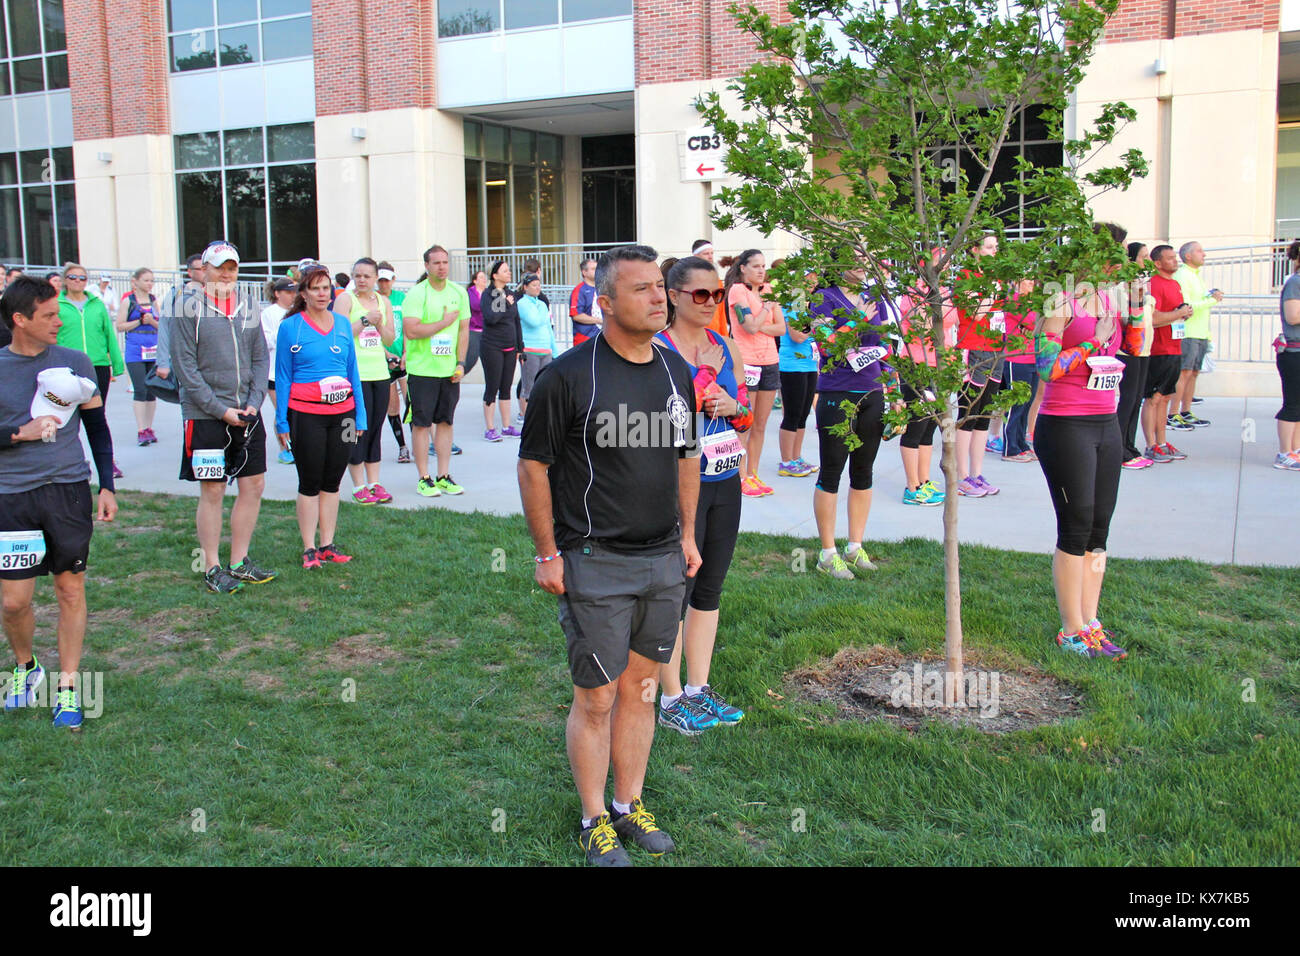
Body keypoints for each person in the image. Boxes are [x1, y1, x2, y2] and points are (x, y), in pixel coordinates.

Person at [518, 243, 701, 867]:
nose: (660, 298)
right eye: (644, 289)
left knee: (643, 689)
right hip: (593, 558)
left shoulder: (676, 373)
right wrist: (548, 553)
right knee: (596, 696)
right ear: (605, 303)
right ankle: (593, 816)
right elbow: (534, 467)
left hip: (662, 561)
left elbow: (686, 458)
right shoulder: (567, 376)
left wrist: (687, 536)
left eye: (661, 287)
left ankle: (629, 804)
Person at [1, 276, 118, 729]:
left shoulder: (76, 363)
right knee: (13, 602)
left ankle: (68, 687)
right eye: (49, 315)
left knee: (70, 589)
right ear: (20, 320)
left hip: (67, 490)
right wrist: (17, 433)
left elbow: (98, 429)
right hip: (11, 495)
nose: (58, 321)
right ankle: (27, 667)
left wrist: (106, 484)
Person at [653, 255, 749, 736]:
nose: (712, 302)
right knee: (675, 591)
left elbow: (747, 414)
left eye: (716, 293)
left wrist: (733, 405)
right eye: (701, 294)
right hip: (675, 486)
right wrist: (705, 376)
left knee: (709, 589)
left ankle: (698, 688)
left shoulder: (724, 344)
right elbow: (659, 421)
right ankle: (669, 697)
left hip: (724, 478)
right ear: (673, 296)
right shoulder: (657, 350)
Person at [1033, 222, 1130, 660]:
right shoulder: (1059, 298)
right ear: (1091, 256)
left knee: (1099, 528)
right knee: (1076, 525)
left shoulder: (1111, 297)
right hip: (1065, 423)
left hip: (1105, 420)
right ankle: (1070, 629)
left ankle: (1090, 622)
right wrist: (1092, 341)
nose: (1122, 262)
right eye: (1116, 254)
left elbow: (1125, 351)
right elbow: (1046, 365)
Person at [171, 240, 277, 594]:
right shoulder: (186, 307)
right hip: (205, 415)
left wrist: (252, 402)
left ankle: (239, 561)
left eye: (232, 267)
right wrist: (221, 410)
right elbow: (185, 368)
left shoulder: (247, 304)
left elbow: (261, 358)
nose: (227, 274)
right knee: (213, 489)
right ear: (204, 270)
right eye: (219, 267)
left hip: (246, 412)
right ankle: (211, 565)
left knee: (254, 485)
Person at [809, 257, 898, 579]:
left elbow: (886, 345)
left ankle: (854, 545)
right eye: (854, 259)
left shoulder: (877, 299)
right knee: (832, 471)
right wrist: (859, 319)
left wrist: (892, 387)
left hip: (871, 392)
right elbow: (828, 344)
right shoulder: (823, 299)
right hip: (836, 392)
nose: (862, 264)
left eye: (865, 258)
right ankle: (827, 552)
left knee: (864, 471)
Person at [275, 265, 367, 568]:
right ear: (303, 293)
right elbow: (283, 377)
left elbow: (353, 371)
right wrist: (282, 420)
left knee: (333, 481)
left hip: (343, 416)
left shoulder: (342, 324)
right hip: (306, 415)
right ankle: (309, 547)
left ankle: (328, 543)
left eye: (326, 287)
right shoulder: (291, 327)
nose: (322, 293)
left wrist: (361, 417)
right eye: (315, 288)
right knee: (310, 481)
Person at [403, 244, 470, 497]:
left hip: (449, 371)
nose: (442, 267)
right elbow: (411, 330)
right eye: (436, 263)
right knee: (421, 424)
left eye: (445, 262)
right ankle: (424, 477)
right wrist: (443, 323)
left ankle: (443, 475)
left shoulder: (458, 293)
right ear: (427, 266)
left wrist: (460, 363)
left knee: (445, 421)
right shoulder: (417, 294)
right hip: (422, 371)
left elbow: (464, 330)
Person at [896, 249, 956, 505]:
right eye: (940, 260)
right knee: (916, 424)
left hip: (941, 366)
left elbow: (952, 322)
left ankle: (924, 479)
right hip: (917, 366)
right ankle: (912, 485)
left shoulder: (944, 291)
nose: (944, 265)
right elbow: (925, 325)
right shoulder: (914, 293)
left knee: (932, 426)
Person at [724, 249, 785, 496]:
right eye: (756, 266)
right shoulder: (738, 291)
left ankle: (753, 473)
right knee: (745, 423)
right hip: (746, 362)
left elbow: (781, 328)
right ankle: (740, 477)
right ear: (743, 268)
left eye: (763, 266)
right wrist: (763, 314)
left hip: (770, 360)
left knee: (761, 424)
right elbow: (748, 327)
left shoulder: (769, 291)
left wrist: (760, 322)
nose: (762, 270)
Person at [336, 258, 396, 505]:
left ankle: (375, 482)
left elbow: (391, 339)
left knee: (375, 428)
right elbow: (337, 334)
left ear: (375, 278)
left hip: (379, 374)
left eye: (367, 276)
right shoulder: (345, 299)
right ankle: (358, 484)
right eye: (357, 275)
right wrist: (364, 321)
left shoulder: (384, 302)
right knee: (355, 429)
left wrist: (380, 322)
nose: (362, 280)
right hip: (354, 375)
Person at [57, 263, 124, 479]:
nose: (77, 281)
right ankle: (71, 462)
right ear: (65, 279)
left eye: (82, 278)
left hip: (97, 366)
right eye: (73, 277)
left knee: (97, 417)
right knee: (67, 417)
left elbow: (109, 335)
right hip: (66, 368)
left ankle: (108, 463)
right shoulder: (57, 304)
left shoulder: (97, 304)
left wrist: (117, 362)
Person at [954, 234, 1004, 497]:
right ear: (974, 249)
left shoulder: (996, 277)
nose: (994, 251)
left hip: (996, 347)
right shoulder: (965, 277)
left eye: (996, 247)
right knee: (969, 412)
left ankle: (976, 473)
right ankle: (961, 475)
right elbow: (977, 311)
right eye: (988, 247)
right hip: (974, 347)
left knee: (985, 414)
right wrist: (990, 288)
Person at [1141, 245, 1194, 463]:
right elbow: (1152, 318)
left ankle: (1162, 443)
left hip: (1174, 346)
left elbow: (1173, 314)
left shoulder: (1175, 284)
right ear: (1157, 263)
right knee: (1153, 398)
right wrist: (1178, 313)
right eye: (1170, 258)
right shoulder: (1153, 283)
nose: (1175, 261)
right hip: (1158, 349)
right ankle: (1151, 445)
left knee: (1165, 397)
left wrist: (1184, 313)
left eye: (1175, 258)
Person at [1170, 241, 1223, 429]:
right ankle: (1173, 413)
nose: (1204, 254)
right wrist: (1211, 300)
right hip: (1188, 332)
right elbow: (1186, 305)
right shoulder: (1183, 274)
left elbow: (1199, 300)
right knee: (1184, 373)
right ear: (1188, 256)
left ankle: (1186, 410)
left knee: (1193, 373)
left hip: (1200, 332)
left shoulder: (1196, 275)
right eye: (1200, 251)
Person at [1115, 243, 1155, 469]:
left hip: (1144, 349)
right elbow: (1126, 317)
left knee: (1135, 400)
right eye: (1143, 256)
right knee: (1126, 399)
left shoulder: (1141, 285)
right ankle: (1119, 448)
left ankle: (1129, 444)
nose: (1146, 261)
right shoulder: (1122, 286)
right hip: (1127, 350)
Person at [776, 270, 819, 478]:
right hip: (792, 366)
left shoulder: (810, 307)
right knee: (792, 415)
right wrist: (817, 327)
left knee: (803, 414)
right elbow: (797, 336)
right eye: (808, 280)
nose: (812, 284)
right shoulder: (795, 304)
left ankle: (796, 456)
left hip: (810, 365)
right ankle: (786, 461)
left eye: (814, 281)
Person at [115, 268, 161, 447]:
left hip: (153, 349)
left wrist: (151, 321)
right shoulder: (128, 301)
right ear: (136, 282)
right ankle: (141, 429)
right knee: (140, 388)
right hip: (135, 350)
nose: (149, 284)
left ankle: (149, 427)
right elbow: (120, 326)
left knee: (152, 390)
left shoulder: (153, 301)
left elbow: (161, 325)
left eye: (152, 281)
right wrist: (139, 321)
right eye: (146, 280)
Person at [479, 260, 521, 441]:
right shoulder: (488, 295)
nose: (509, 273)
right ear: (494, 275)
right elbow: (491, 318)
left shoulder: (511, 293)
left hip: (510, 347)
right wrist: (505, 303)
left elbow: (516, 322)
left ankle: (506, 426)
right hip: (492, 346)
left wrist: (520, 347)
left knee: (506, 387)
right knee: (492, 386)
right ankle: (490, 428)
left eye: (509, 270)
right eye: (505, 270)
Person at [376, 262, 412, 463]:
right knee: (393, 406)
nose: (384, 284)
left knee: (411, 403)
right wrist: (386, 354)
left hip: (403, 358)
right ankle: (402, 447)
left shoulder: (401, 299)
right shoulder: (374, 301)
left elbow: (406, 327)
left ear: (393, 280)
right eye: (380, 280)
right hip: (384, 361)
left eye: (387, 280)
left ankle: (419, 443)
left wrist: (406, 352)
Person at [1002, 279, 1040, 462]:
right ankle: (1010, 448)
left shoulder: (1033, 301)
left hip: (1032, 356)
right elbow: (1034, 321)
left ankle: (1021, 444)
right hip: (1016, 358)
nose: (1032, 284)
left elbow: (1043, 321)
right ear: (1017, 283)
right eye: (1028, 281)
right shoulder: (1013, 300)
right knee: (1015, 404)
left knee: (1027, 403)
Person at [261, 277, 297, 463]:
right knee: (281, 411)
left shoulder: (298, 312)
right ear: (277, 294)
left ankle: (295, 446)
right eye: (288, 292)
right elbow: (265, 341)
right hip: (275, 372)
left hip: (296, 371)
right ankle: (285, 449)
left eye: (294, 292)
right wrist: (283, 332)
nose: (293, 295)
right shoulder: (269, 313)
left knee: (294, 411)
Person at [517, 273, 558, 420]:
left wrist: (555, 351)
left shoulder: (541, 304)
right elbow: (534, 321)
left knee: (544, 386)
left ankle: (540, 417)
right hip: (530, 350)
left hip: (545, 349)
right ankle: (526, 416)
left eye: (539, 285)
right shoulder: (522, 303)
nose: (537, 288)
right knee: (529, 387)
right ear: (525, 287)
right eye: (534, 285)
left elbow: (548, 328)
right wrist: (542, 309)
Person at [1274, 239, 1300, 470]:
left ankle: (1295, 450)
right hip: (1294, 352)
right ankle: (1284, 453)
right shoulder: (1295, 282)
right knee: (1292, 403)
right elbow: (1293, 316)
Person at [569, 258, 602, 346]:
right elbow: (576, 315)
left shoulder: (602, 289)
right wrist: (599, 320)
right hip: (584, 338)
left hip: (601, 336)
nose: (597, 271)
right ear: (584, 272)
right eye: (593, 269)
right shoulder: (579, 290)